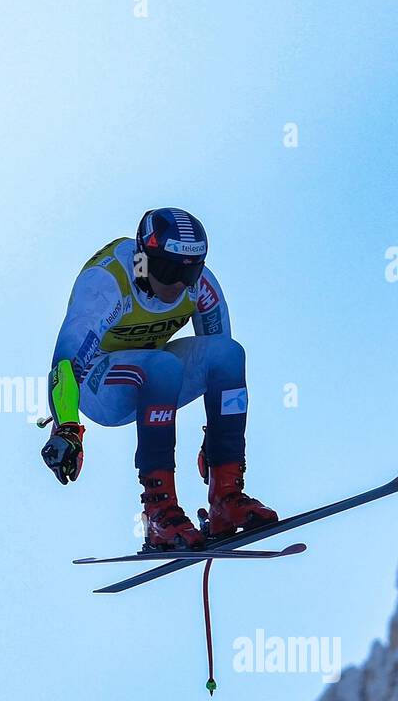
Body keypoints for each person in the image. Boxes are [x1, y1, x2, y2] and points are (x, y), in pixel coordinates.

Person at [41, 207, 277, 550]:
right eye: (168, 271)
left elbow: (218, 360)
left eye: (191, 271)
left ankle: (226, 497)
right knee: (162, 366)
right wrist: (67, 428)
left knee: (229, 354)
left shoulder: (200, 287)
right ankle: (158, 512)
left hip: (155, 374)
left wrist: (216, 443)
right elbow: (65, 364)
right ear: (144, 259)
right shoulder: (108, 283)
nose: (180, 284)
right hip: (97, 383)